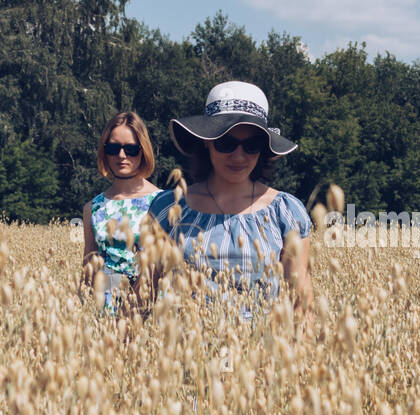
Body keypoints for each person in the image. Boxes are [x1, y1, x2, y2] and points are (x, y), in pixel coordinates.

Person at [147, 81, 313, 329]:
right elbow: (144, 293)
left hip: (264, 350)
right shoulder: (168, 208)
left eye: (251, 146)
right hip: (186, 350)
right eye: (226, 143)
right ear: (207, 142)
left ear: (263, 148)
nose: (238, 156)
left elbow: (300, 303)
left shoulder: (286, 212)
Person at [82, 112, 162, 316]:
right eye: (113, 148)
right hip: (104, 310)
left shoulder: (162, 203)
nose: (121, 155)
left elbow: (162, 267)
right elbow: (88, 268)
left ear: (143, 151)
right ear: (104, 152)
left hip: (147, 307)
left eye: (131, 149)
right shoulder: (93, 207)